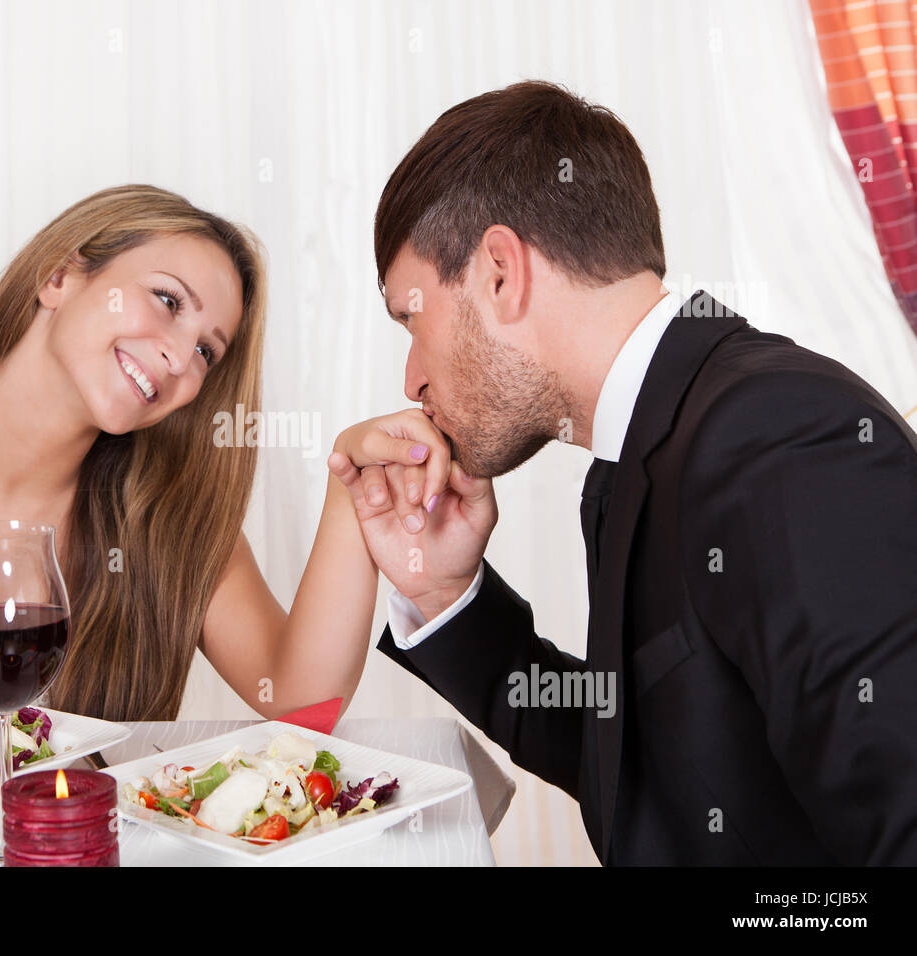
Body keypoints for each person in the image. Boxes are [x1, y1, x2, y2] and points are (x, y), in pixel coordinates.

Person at [327, 81, 917, 864]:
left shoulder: (781, 436)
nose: (411, 379)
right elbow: (652, 775)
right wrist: (445, 596)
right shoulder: (652, 441)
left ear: (500, 273)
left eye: (413, 318)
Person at [0, 184, 451, 724]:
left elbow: (303, 701)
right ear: (60, 277)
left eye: (208, 351)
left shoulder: (164, 514)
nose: (181, 355)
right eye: (166, 299)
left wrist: (351, 488)